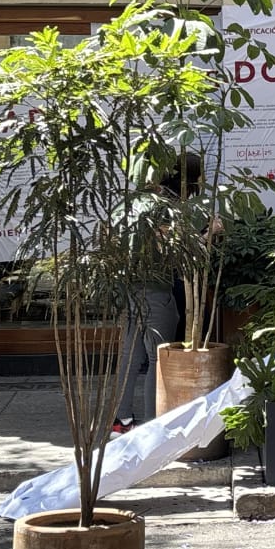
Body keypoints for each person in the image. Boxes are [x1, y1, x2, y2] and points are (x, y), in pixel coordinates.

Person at [113, 153, 203, 433]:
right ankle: (154, 424)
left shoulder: (133, 201)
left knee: (130, 354)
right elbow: (168, 249)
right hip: (155, 287)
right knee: (158, 357)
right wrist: (205, 236)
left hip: (128, 286)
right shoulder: (164, 207)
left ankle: (121, 420)